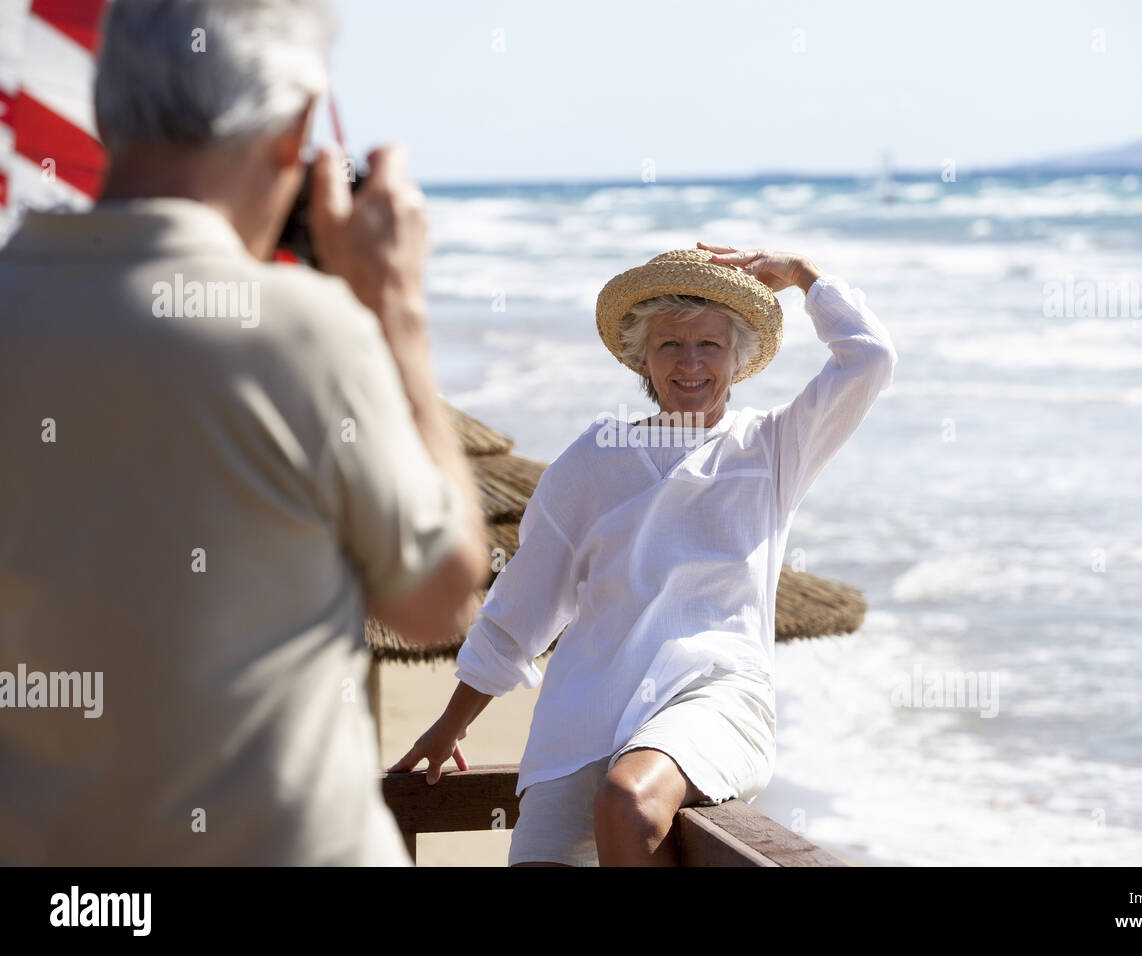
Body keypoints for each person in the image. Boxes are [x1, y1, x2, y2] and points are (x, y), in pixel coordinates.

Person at [0, 0, 489, 864]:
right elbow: (439, 597)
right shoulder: (296, 333)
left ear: (107, 107)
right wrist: (395, 313)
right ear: (298, 127)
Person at [391, 242, 898, 866]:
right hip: (584, 720)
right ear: (643, 359)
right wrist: (452, 723)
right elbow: (522, 606)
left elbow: (869, 359)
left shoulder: (771, 450)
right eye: (670, 345)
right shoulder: (592, 460)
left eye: (709, 344)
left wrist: (803, 274)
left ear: (738, 358)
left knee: (627, 802)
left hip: (713, 701)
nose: (690, 363)